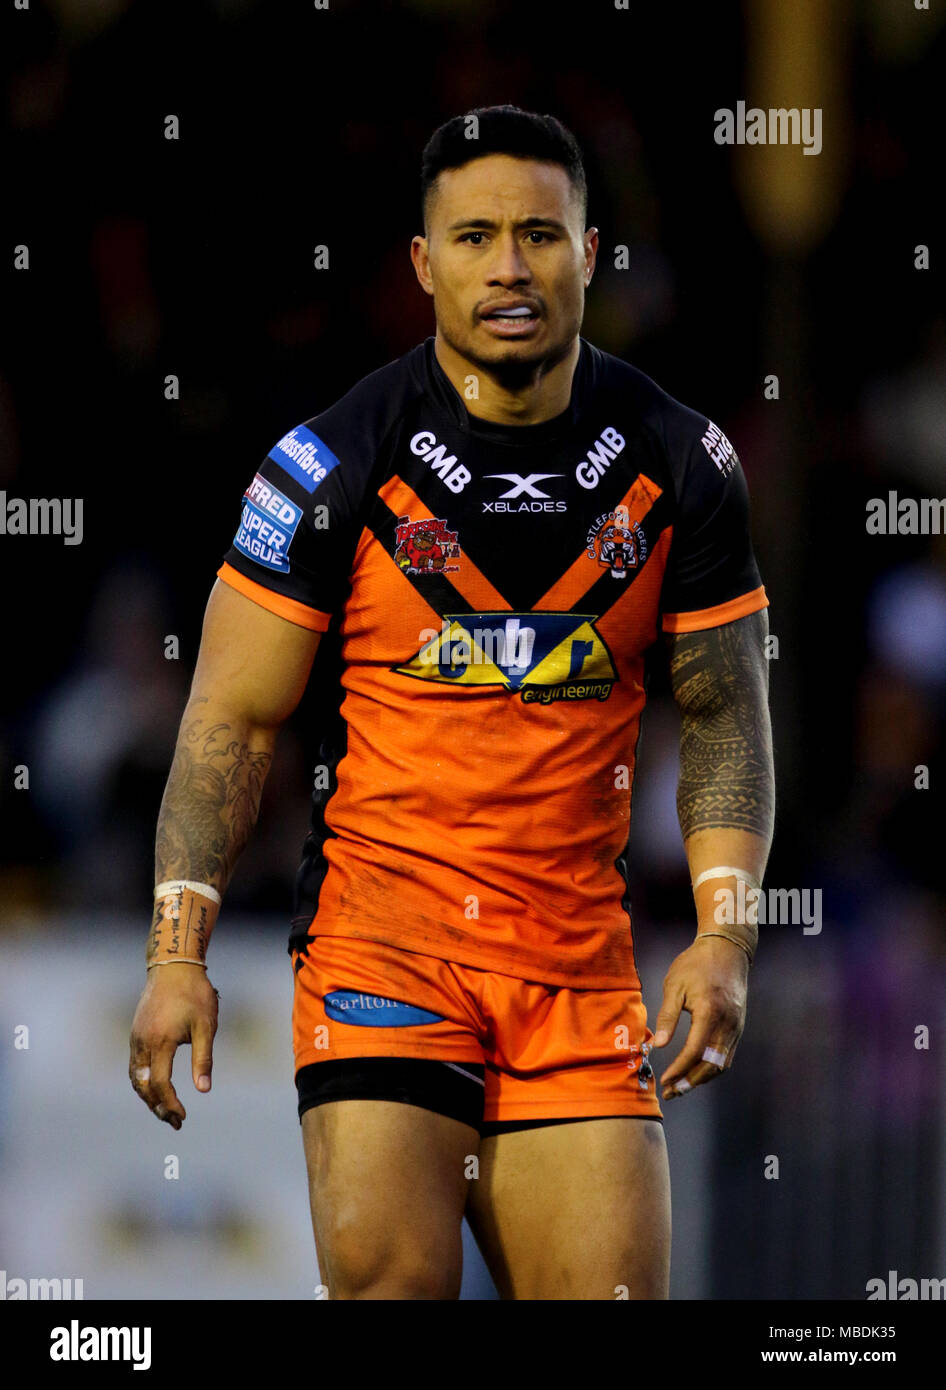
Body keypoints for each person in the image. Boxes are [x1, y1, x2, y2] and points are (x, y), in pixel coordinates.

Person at [129, 105, 775, 1300]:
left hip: (576, 972)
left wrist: (726, 934)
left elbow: (726, 712)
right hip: (386, 952)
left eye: (540, 233)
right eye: (474, 238)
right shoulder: (329, 465)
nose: (511, 267)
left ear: (589, 253)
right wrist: (179, 953)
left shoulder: (682, 464)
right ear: (424, 266)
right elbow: (231, 718)